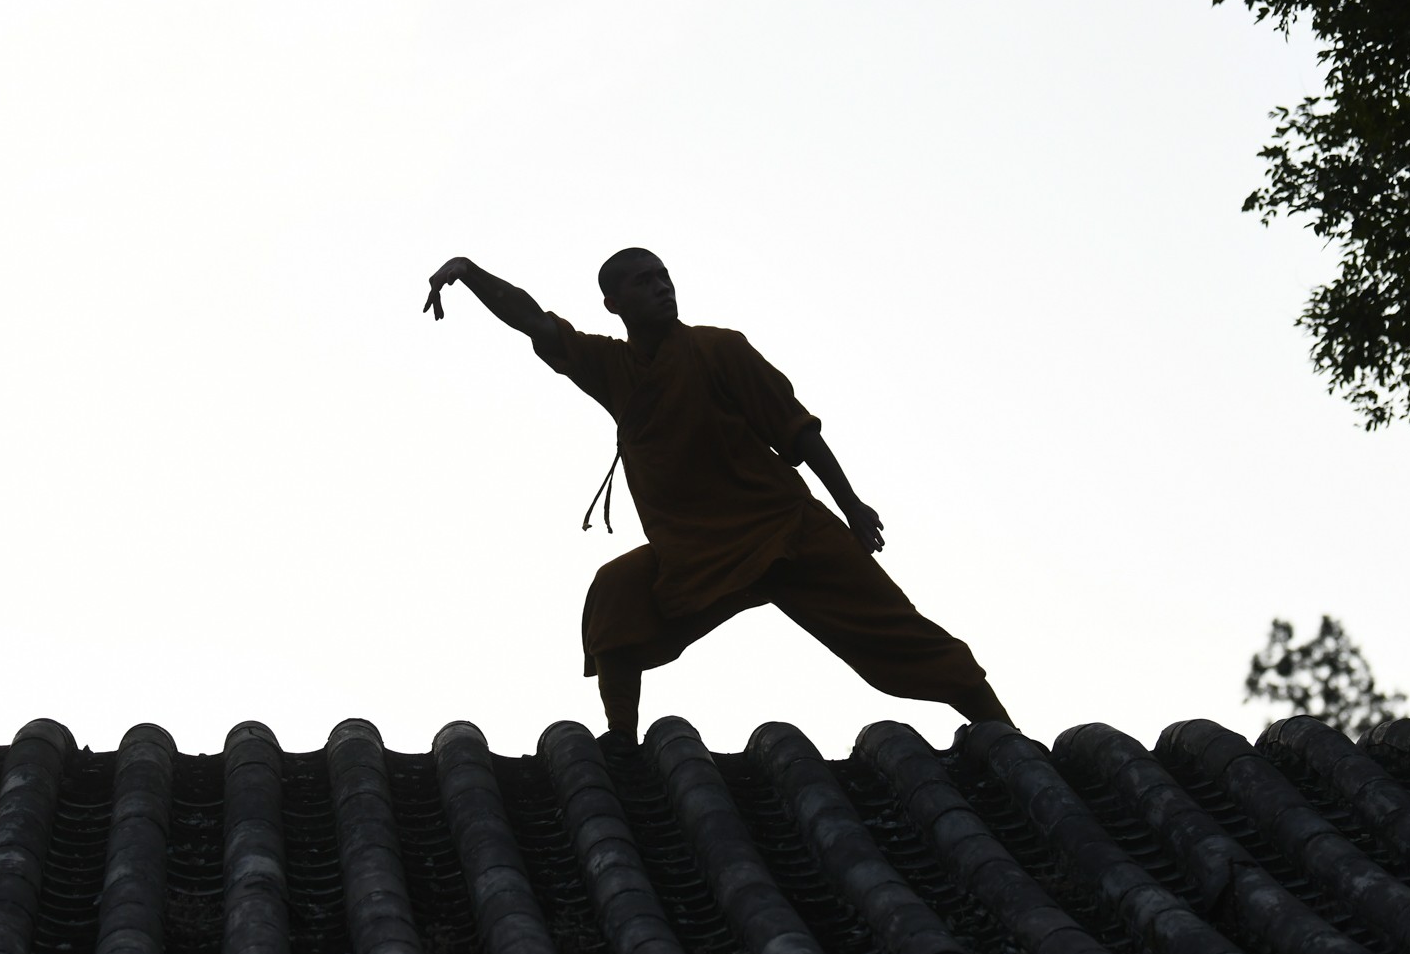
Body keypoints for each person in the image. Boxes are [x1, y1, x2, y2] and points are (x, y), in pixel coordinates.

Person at [424, 248, 1014, 739]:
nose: (661, 287)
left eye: (664, 277)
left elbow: (797, 431)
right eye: (643, 281)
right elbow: (538, 322)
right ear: (613, 302)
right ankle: (622, 747)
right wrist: (470, 273)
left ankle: (1010, 740)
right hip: (697, 554)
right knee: (617, 596)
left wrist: (851, 506)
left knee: (902, 638)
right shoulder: (612, 368)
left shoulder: (719, 349)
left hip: (788, 532)